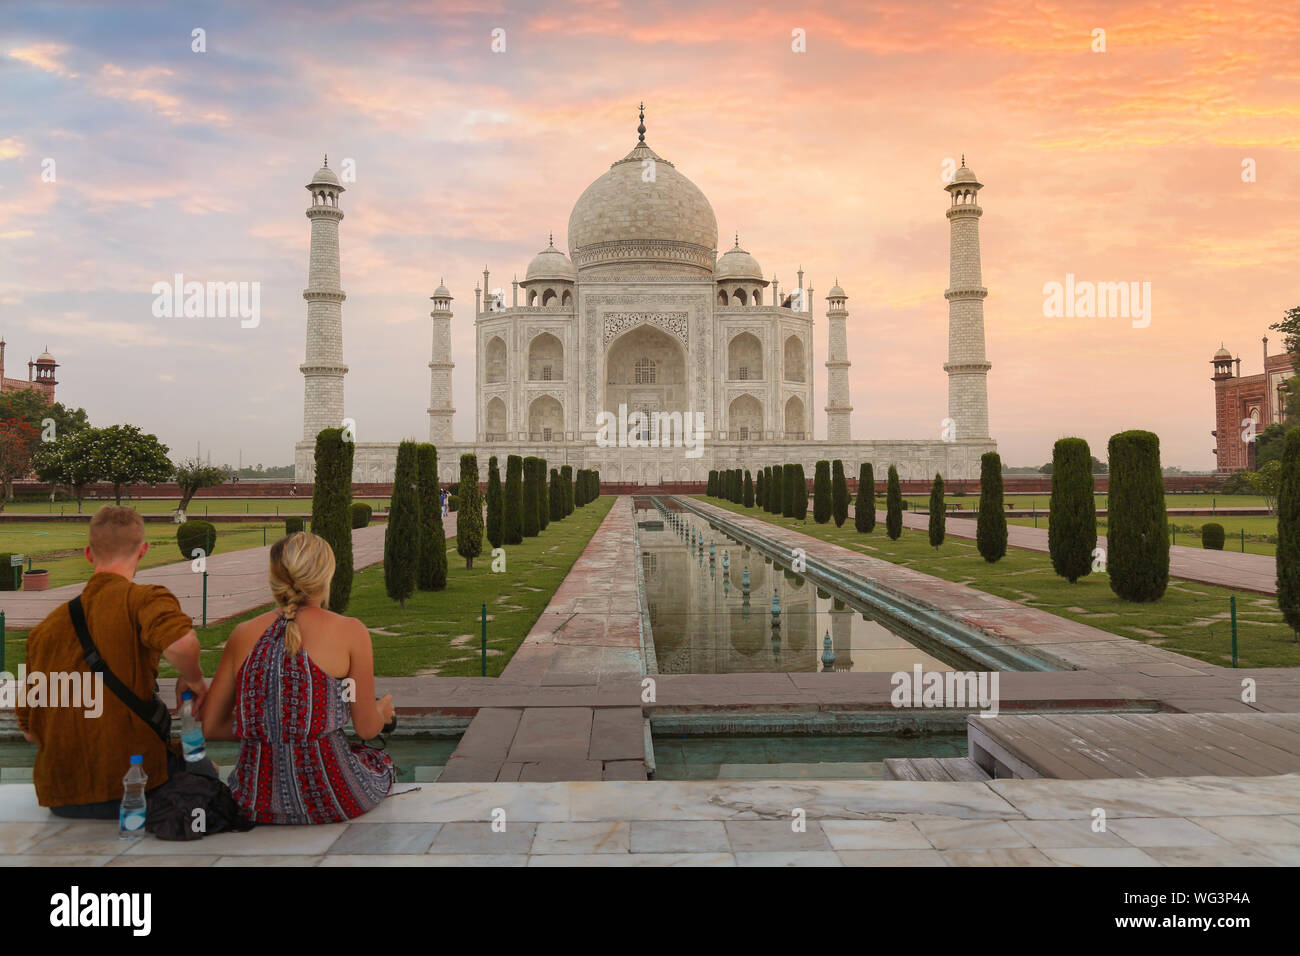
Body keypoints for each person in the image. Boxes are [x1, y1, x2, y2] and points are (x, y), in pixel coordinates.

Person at [17, 506, 210, 818]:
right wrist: (195, 679)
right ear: (144, 550)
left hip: (62, 797)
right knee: (206, 772)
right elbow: (182, 643)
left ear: (88, 554)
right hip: (135, 787)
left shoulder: (45, 631)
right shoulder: (143, 599)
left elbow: (29, 730)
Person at [203, 532, 394, 824]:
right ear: (326, 575)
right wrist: (381, 712)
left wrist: (270, 728)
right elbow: (367, 728)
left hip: (255, 802)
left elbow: (211, 725)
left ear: (275, 576)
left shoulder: (242, 634)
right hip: (334, 800)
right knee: (379, 762)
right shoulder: (350, 631)